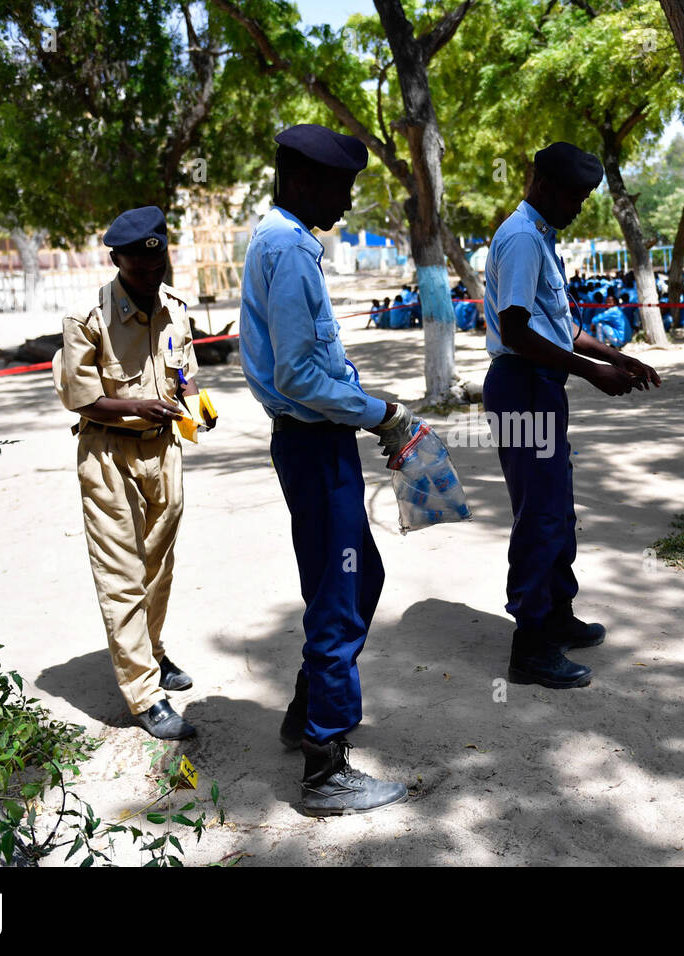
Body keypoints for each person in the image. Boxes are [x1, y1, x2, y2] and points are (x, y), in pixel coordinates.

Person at [238, 123, 415, 816]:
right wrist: (381, 411)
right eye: (340, 186)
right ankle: (325, 766)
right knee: (339, 594)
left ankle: (306, 709)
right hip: (313, 442)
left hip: (321, 441)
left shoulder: (285, 241)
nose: (346, 201)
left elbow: (311, 363)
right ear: (302, 180)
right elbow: (299, 374)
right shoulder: (287, 248)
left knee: (358, 575)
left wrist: (362, 407)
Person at [483, 142, 661, 689]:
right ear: (545, 185)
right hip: (521, 386)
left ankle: (557, 614)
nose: (580, 206)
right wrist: (589, 373)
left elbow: (559, 327)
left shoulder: (540, 238)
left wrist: (614, 355)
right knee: (539, 516)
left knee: (557, 510)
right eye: (576, 196)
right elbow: (515, 331)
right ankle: (530, 645)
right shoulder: (519, 239)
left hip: (541, 385)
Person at [52, 206, 213, 741]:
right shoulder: (85, 318)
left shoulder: (175, 308)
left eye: (158, 262)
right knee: (122, 573)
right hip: (108, 455)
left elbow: (184, 375)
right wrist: (137, 407)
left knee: (158, 565)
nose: (152, 275)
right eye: (139, 268)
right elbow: (82, 401)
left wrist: (197, 406)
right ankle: (145, 694)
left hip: (164, 451)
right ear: (117, 260)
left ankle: (154, 650)